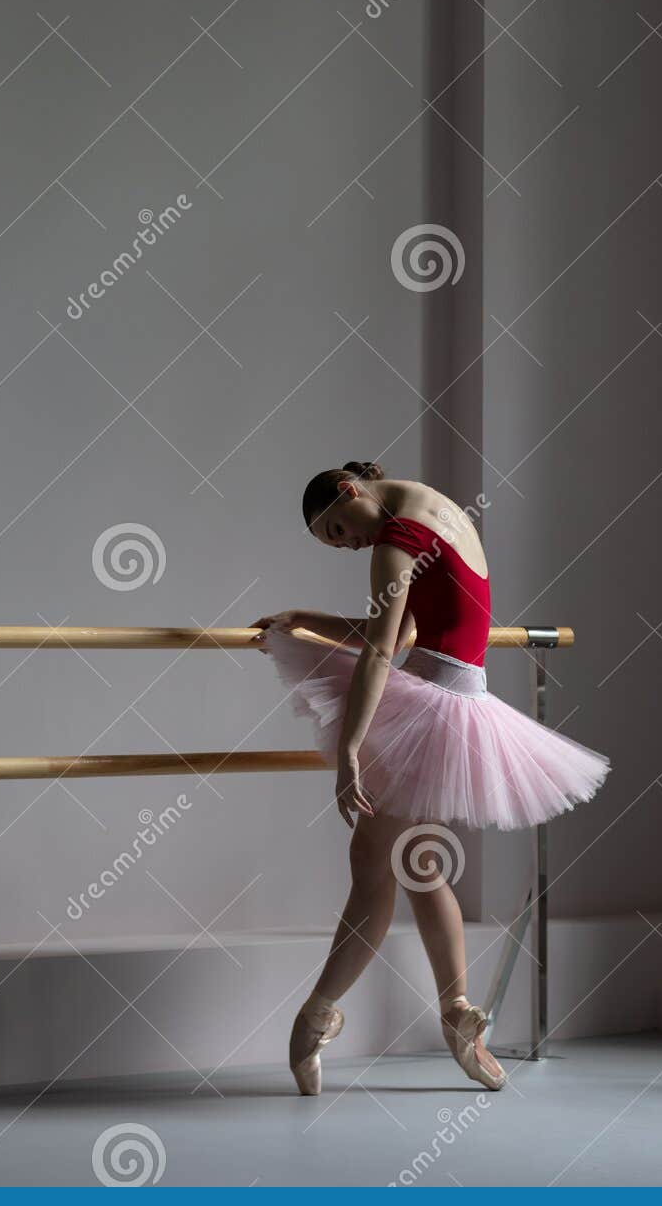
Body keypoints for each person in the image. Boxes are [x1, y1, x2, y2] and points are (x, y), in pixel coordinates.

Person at [254, 461, 610, 1096]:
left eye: (339, 530)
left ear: (350, 490)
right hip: (460, 699)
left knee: (373, 872)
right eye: (336, 543)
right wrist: (305, 620)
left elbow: (381, 649)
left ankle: (314, 1018)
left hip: (430, 707)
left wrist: (351, 748)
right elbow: (405, 632)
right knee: (418, 866)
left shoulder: (398, 537)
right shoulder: (438, 510)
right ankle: (456, 1016)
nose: (348, 544)